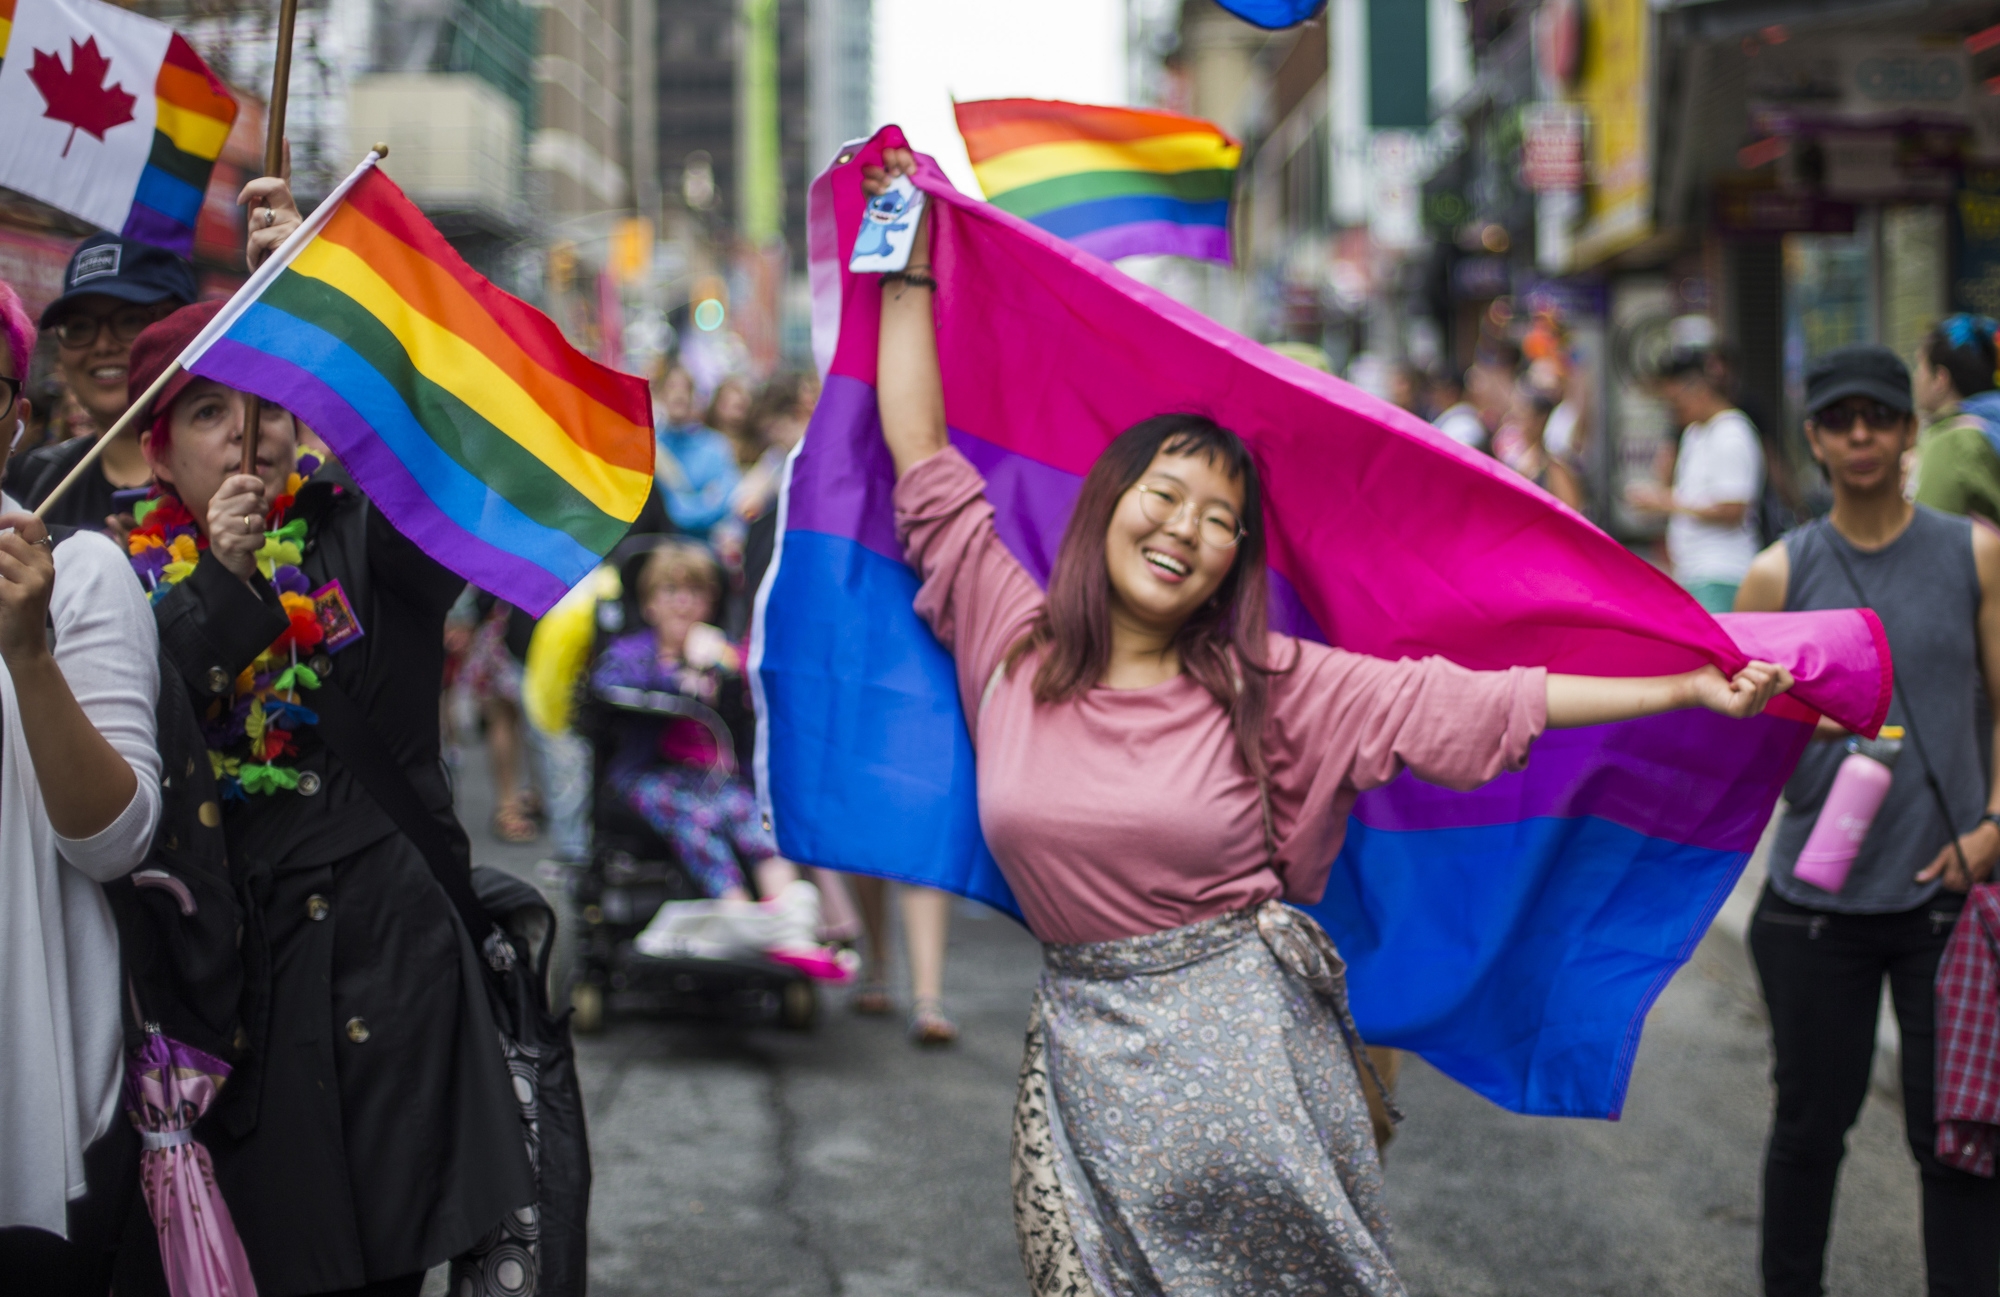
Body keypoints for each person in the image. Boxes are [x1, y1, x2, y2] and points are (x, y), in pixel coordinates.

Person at [864, 146, 1793, 1296]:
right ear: (1107, 508)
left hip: (1255, 1072)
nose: (1184, 529)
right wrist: (902, 248)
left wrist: (1681, 685)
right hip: (1078, 1070)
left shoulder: (1269, 678)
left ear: (1229, 566)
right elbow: (920, 453)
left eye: (1218, 521)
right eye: (1162, 495)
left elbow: (1476, 699)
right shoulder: (1006, 637)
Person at [128, 285, 533, 1289]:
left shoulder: (363, 530)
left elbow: (448, 461)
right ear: (157, 449)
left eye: (264, 400)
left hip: (390, 971)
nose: (244, 436)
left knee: (382, 1266)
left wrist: (331, 302)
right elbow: (137, 736)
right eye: (208, 412)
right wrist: (220, 584)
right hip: (233, 998)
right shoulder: (120, 583)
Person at [1735, 344, 2000, 1297]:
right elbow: (1741, 751)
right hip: (1814, 905)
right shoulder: (1778, 572)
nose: (1860, 435)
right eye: (1840, 418)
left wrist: (1995, 827)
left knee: (1957, 1139)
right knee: (1810, 1130)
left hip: (1947, 901)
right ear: (1813, 436)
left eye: (1879, 418)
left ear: (1908, 431)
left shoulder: (1974, 554)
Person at [0, 280, 164, 1287]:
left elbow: (112, 842)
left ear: (15, 416)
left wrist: (28, 652)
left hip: (34, 1098)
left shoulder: (79, 568)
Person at [593, 543, 826, 964]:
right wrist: (675, 679)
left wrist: (719, 668)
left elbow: (753, 691)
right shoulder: (632, 654)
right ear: (648, 604)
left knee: (754, 817)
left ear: (710, 603)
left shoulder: (718, 652)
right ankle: (738, 914)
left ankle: (789, 919)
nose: (682, 603)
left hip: (713, 778)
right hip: (650, 776)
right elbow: (607, 685)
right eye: (670, 591)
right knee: (698, 820)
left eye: (694, 592)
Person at [10, 235, 197, 532]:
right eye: (79, 327)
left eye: (130, 320)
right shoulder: (30, 481)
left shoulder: (240, 474)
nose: (102, 345)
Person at [1627, 349, 1765, 613]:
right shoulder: (1694, 433)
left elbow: (1732, 509)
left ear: (1700, 393)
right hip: (1692, 572)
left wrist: (1665, 503)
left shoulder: (1732, 433)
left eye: (1677, 404)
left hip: (1721, 572)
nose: (1673, 413)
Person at [1912, 313, 2000, 526]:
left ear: (1940, 379)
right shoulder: (1989, 426)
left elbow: (1927, 538)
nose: (1915, 377)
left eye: (1920, 366)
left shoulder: (1952, 442)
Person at [654, 364, 739, 540]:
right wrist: (702, 499)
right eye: (671, 387)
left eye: (686, 388)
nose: (679, 395)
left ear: (694, 397)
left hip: (705, 550)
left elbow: (724, 503)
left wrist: (677, 502)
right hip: (658, 546)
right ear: (660, 395)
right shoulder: (651, 448)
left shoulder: (715, 447)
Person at [1505, 379, 1584, 511]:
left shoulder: (1553, 466)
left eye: (1523, 414)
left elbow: (1571, 508)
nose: (1516, 420)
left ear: (1540, 419)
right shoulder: (1514, 456)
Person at [706, 373, 758, 469]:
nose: (742, 398)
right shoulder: (702, 441)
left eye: (746, 393)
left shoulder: (756, 447)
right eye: (736, 391)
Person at [1430, 371, 1487, 449]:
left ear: (1452, 392)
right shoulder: (1445, 416)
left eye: (1439, 389)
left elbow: (1462, 454)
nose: (1435, 395)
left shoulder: (1466, 424)